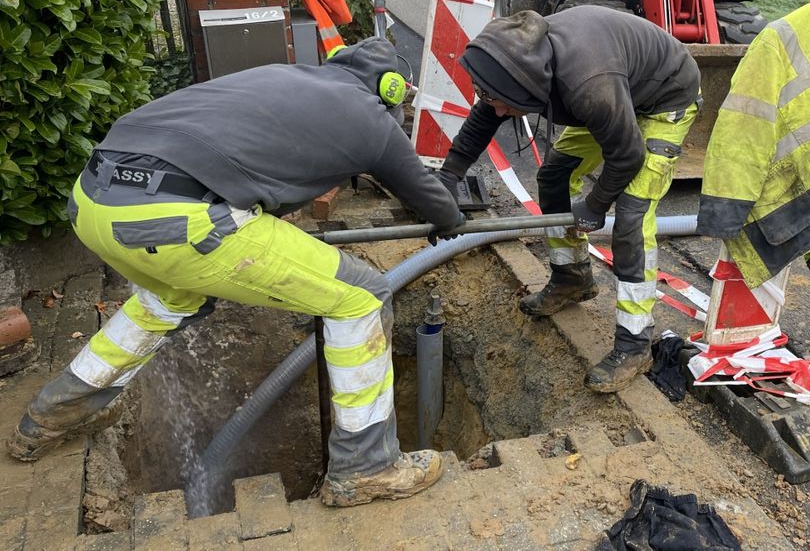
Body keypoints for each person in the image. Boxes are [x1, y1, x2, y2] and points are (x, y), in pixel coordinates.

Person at [6, 39, 466, 508]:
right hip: (180, 219)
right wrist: (452, 221)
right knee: (361, 296)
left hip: (92, 204)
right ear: (389, 90)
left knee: (167, 300)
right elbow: (429, 197)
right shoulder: (370, 116)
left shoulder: (283, 77)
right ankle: (366, 467)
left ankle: (52, 413)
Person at [434, 7, 700, 393]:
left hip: (664, 99)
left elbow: (627, 155)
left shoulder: (587, 86)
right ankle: (572, 277)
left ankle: (634, 344)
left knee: (631, 215)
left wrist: (595, 205)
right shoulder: (520, 62)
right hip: (617, 94)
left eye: (506, 103)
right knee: (554, 176)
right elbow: (486, 115)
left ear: (529, 89)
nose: (500, 110)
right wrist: (448, 176)